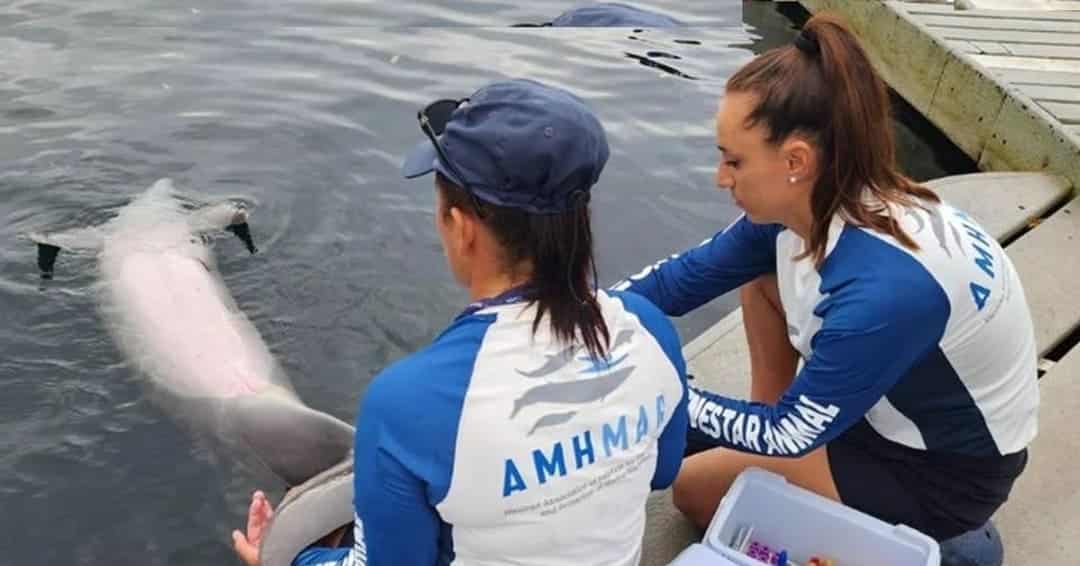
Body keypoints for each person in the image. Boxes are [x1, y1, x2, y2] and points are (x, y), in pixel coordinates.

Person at [613, 13, 1038, 542]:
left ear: (796, 160)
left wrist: (655, 390)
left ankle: (947, 548)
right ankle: (762, 437)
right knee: (764, 280)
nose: (720, 178)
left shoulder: (885, 293)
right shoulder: (830, 198)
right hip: (890, 402)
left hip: (940, 475)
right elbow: (673, 284)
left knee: (693, 492)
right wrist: (559, 315)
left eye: (733, 161)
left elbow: (788, 433)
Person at [232, 78, 689, 565]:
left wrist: (286, 556)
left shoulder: (409, 400)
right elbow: (660, 471)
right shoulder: (648, 327)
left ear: (462, 226)